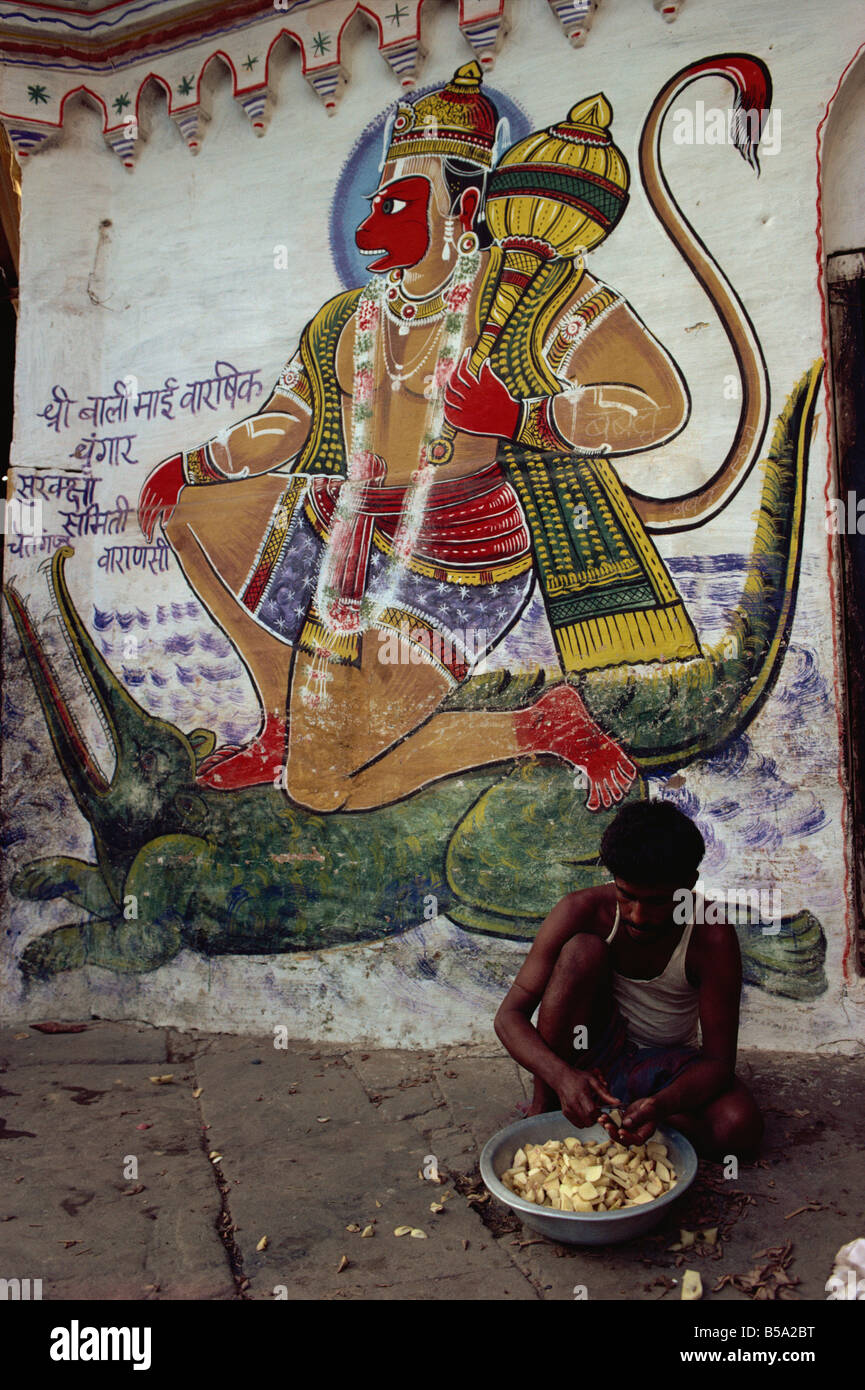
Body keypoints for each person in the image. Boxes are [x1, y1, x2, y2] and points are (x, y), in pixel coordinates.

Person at [137, 63, 696, 811]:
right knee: (192, 512)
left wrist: (522, 417)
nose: (372, 229)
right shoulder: (347, 320)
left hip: (453, 561)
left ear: (464, 205)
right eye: (375, 205)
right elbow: (288, 423)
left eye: (397, 206)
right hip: (342, 532)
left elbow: (655, 404)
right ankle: (281, 723)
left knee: (321, 786)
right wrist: (193, 464)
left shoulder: (534, 292)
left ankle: (535, 724)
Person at [494, 799, 763, 1157]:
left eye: (656, 902)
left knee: (737, 1128)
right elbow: (509, 1016)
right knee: (581, 952)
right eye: (626, 895)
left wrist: (662, 1104)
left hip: (666, 1064)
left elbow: (718, 1064)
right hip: (591, 1056)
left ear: (688, 884)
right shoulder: (580, 910)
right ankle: (547, 1107)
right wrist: (562, 1076)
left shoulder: (711, 934)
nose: (638, 915)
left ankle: (631, 1114)